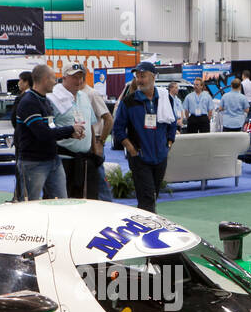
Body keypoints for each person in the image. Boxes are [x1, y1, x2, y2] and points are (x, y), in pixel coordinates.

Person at [112, 62, 176, 213]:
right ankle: (148, 229)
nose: (139, 80)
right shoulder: (128, 102)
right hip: (140, 157)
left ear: (153, 77)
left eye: (143, 76)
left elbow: (172, 123)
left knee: (153, 195)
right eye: (137, 76)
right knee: (146, 198)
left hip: (160, 157)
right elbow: (118, 129)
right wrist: (131, 149)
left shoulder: (166, 99)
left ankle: (147, 225)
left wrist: (168, 143)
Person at [14, 63, 82, 200]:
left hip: (53, 160)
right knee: (29, 205)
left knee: (62, 201)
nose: (55, 82)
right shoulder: (29, 102)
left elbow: (51, 129)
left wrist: (71, 133)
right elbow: (43, 133)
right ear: (45, 79)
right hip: (33, 163)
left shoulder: (45, 101)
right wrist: (70, 129)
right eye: (53, 78)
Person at [51, 64, 101, 199]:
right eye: (74, 77)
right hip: (63, 160)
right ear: (64, 77)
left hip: (85, 159)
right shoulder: (53, 98)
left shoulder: (84, 97)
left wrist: (95, 151)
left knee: (86, 200)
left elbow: (90, 124)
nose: (78, 81)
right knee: (64, 200)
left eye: (81, 77)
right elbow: (49, 128)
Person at [9, 70, 33, 201]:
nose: (19, 83)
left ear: (27, 82)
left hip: (22, 140)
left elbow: (14, 119)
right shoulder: (33, 97)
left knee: (21, 170)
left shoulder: (22, 98)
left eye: (21, 81)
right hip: (25, 139)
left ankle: (19, 196)